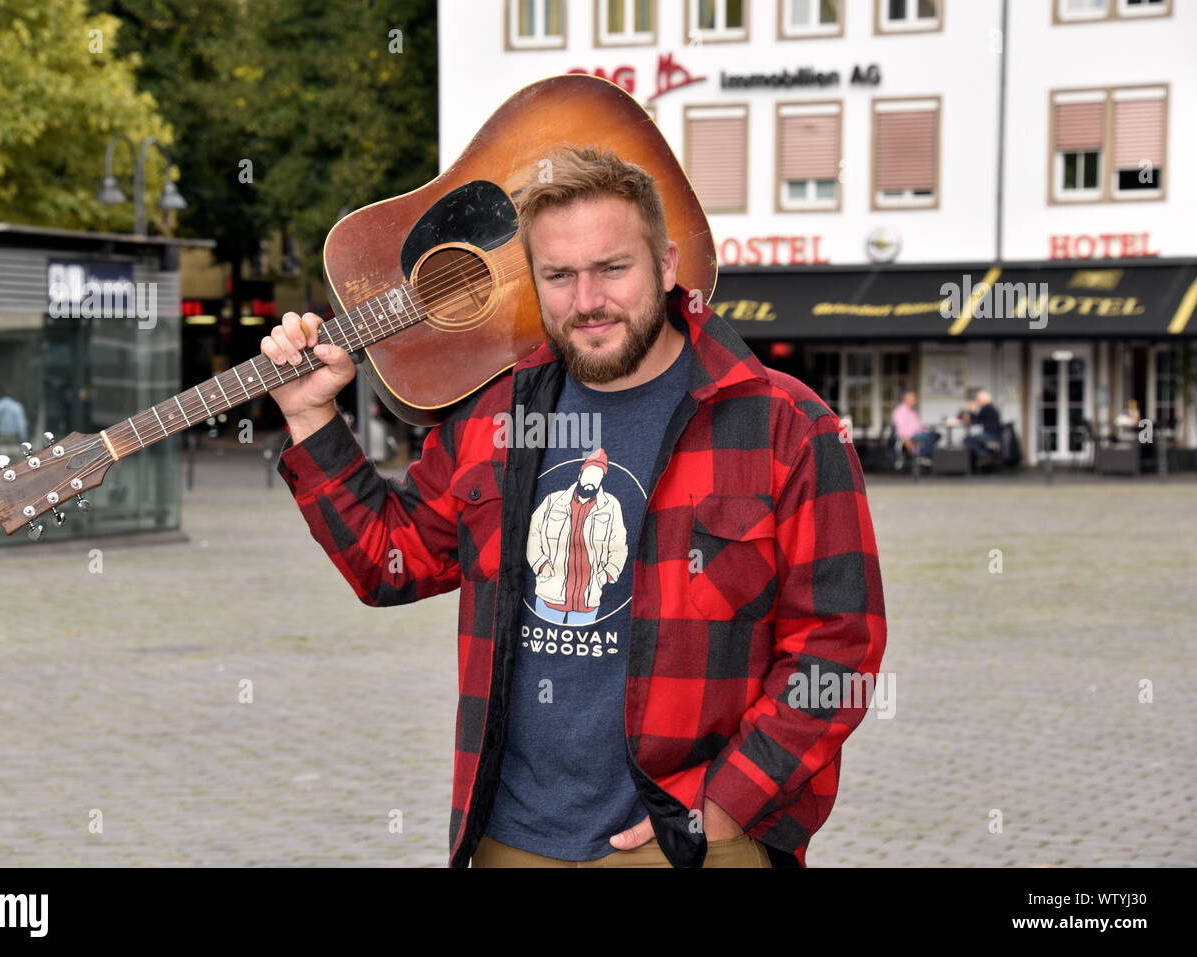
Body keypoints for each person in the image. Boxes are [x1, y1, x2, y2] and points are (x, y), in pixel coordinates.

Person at [262, 145, 886, 869]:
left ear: (666, 265)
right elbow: (390, 562)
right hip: (513, 838)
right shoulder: (497, 416)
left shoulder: (784, 422)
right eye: (559, 275)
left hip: (694, 842)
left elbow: (838, 645)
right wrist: (312, 420)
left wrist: (723, 806)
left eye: (612, 268)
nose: (586, 300)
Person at [891, 389, 938, 464]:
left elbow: (917, 426)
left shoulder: (912, 411)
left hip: (918, 434)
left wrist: (925, 429)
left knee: (936, 435)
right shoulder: (900, 411)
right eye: (914, 399)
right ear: (906, 399)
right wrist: (908, 442)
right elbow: (901, 430)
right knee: (927, 438)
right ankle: (922, 456)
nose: (916, 401)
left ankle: (925, 456)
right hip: (910, 437)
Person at [963, 388, 1003, 464]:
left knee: (967, 440)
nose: (977, 401)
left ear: (983, 400)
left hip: (992, 434)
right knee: (974, 440)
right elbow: (979, 420)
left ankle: (986, 455)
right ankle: (987, 455)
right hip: (994, 433)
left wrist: (971, 411)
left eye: (978, 399)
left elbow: (977, 420)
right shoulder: (990, 407)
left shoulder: (986, 408)